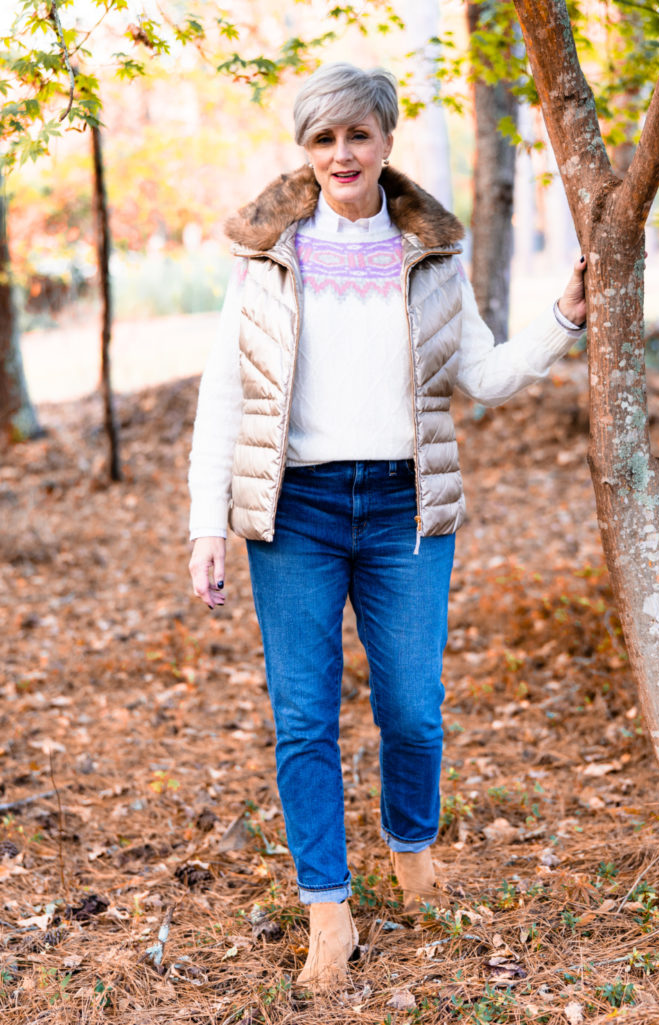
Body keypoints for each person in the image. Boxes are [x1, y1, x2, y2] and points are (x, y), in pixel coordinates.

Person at [188, 62, 586, 990]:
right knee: (303, 716)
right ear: (306, 149)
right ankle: (328, 910)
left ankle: (412, 851)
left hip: (409, 507)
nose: (342, 154)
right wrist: (208, 522)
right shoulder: (266, 256)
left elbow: (481, 374)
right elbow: (224, 394)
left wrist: (564, 317)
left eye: (357, 135)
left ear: (385, 142)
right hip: (295, 510)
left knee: (412, 707)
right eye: (324, 138)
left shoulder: (432, 255)